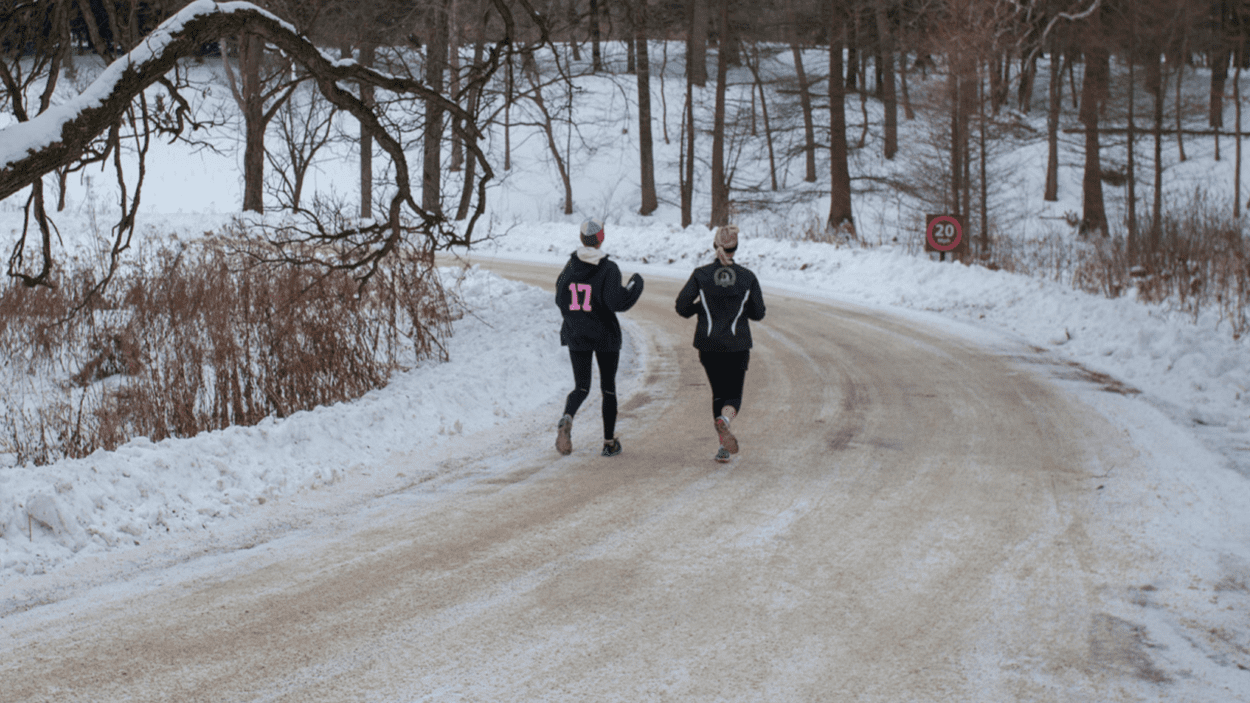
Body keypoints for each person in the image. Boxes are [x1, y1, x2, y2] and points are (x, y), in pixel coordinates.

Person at [675, 225, 766, 463]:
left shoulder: (701, 274)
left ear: (714, 246)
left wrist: (700, 308)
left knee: (718, 393)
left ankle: (723, 447)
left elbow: (682, 307)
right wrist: (742, 308)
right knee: (733, 395)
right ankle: (725, 421)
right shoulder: (747, 277)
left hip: (709, 345)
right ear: (736, 247)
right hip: (737, 345)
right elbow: (758, 313)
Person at [555, 217, 644, 457]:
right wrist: (636, 284)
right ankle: (608, 442)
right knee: (608, 388)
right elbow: (618, 302)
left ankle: (567, 417)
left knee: (582, 386)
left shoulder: (570, 266)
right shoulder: (608, 268)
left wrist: (574, 319)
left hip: (576, 334)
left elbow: (560, 298)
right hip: (605, 336)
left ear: (581, 238)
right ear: (601, 238)